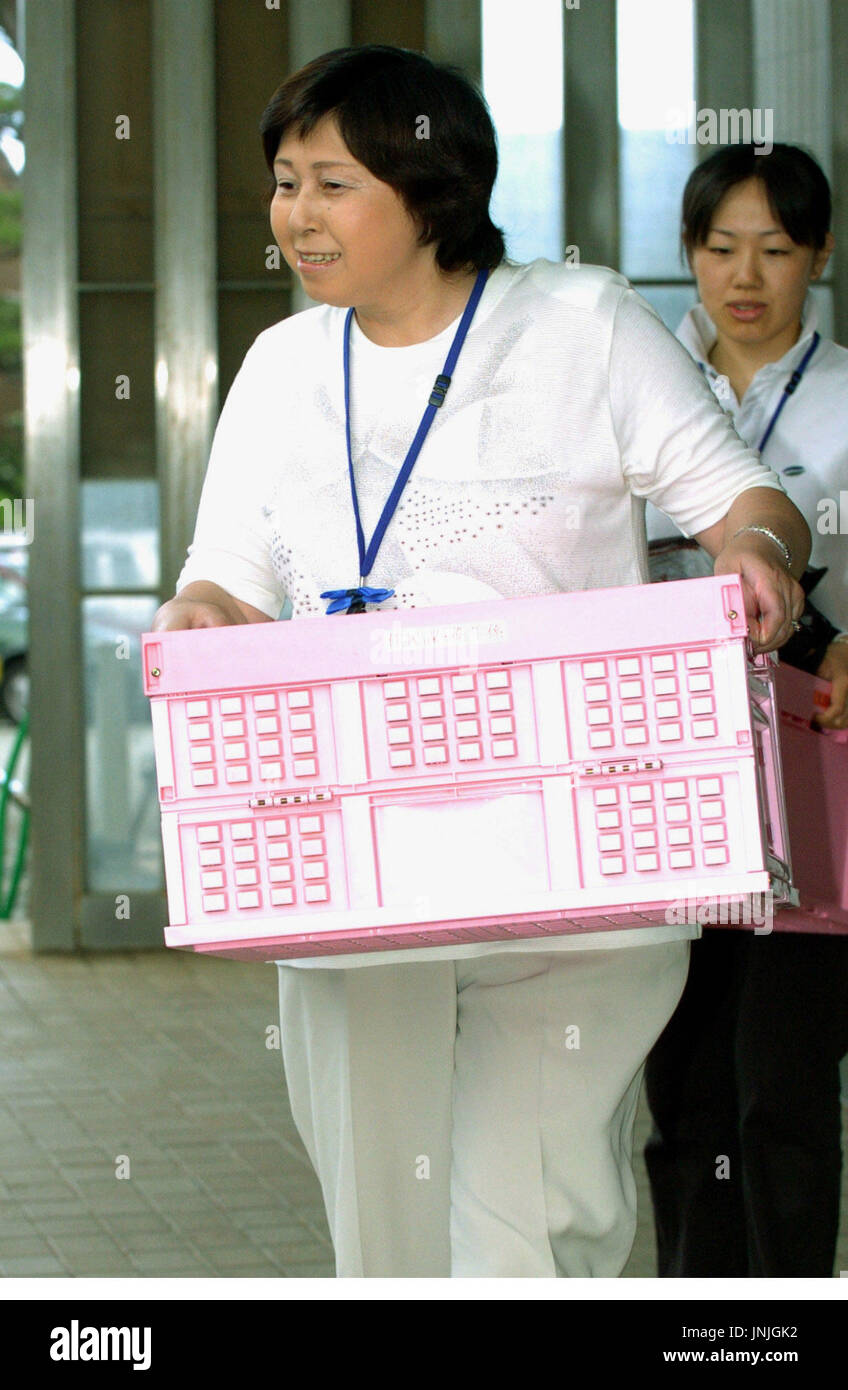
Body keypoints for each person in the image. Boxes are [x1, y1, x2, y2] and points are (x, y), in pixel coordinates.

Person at [153, 48, 810, 1278]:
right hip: (357, 860)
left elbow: (749, 500)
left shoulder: (581, 322)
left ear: (430, 184)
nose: (296, 213)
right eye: (284, 182)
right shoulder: (281, 370)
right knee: (383, 1222)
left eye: (332, 182)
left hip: (576, 843)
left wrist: (757, 556)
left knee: (537, 1207)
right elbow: (225, 576)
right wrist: (200, 616)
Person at [644, 142, 848, 1278]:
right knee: (681, 1082)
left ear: (818, 254)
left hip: (810, 770)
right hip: (662, 769)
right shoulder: (640, 393)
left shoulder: (845, 395)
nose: (744, 275)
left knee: (783, 1077)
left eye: (775, 248)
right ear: (687, 253)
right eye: (719, 247)